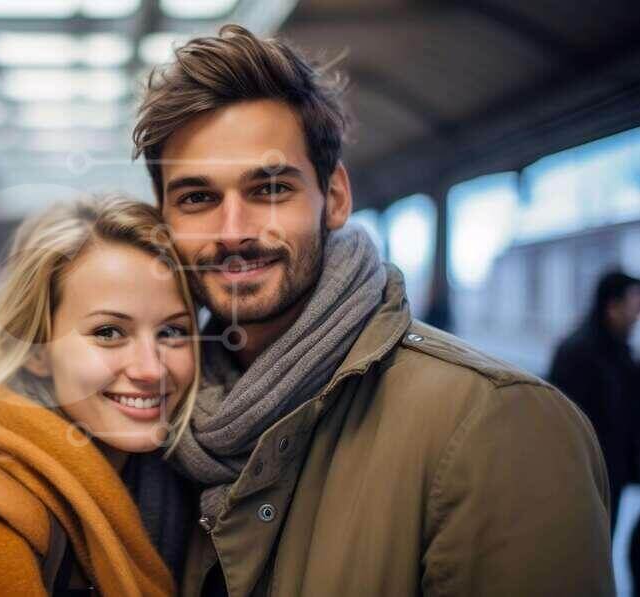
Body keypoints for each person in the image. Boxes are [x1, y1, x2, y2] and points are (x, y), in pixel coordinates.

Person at [132, 25, 614, 596]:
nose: (234, 232)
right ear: (164, 219)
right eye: (198, 198)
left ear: (334, 197)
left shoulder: (496, 425)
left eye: (270, 190)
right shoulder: (154, 414)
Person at [0, 196, 200, 596]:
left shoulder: (178, 495)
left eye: (171, 332)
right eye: (108, 332)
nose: (151, 369)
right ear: (36, 350)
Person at [549, 270, 640, 582]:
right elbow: (561, 422)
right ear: (612, 306)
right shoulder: (578, 353)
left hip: (612, 477)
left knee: (601, 555)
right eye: (633, 302)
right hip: (583, 480)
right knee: (580, 561)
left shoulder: (622, 353)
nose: (637, 311)